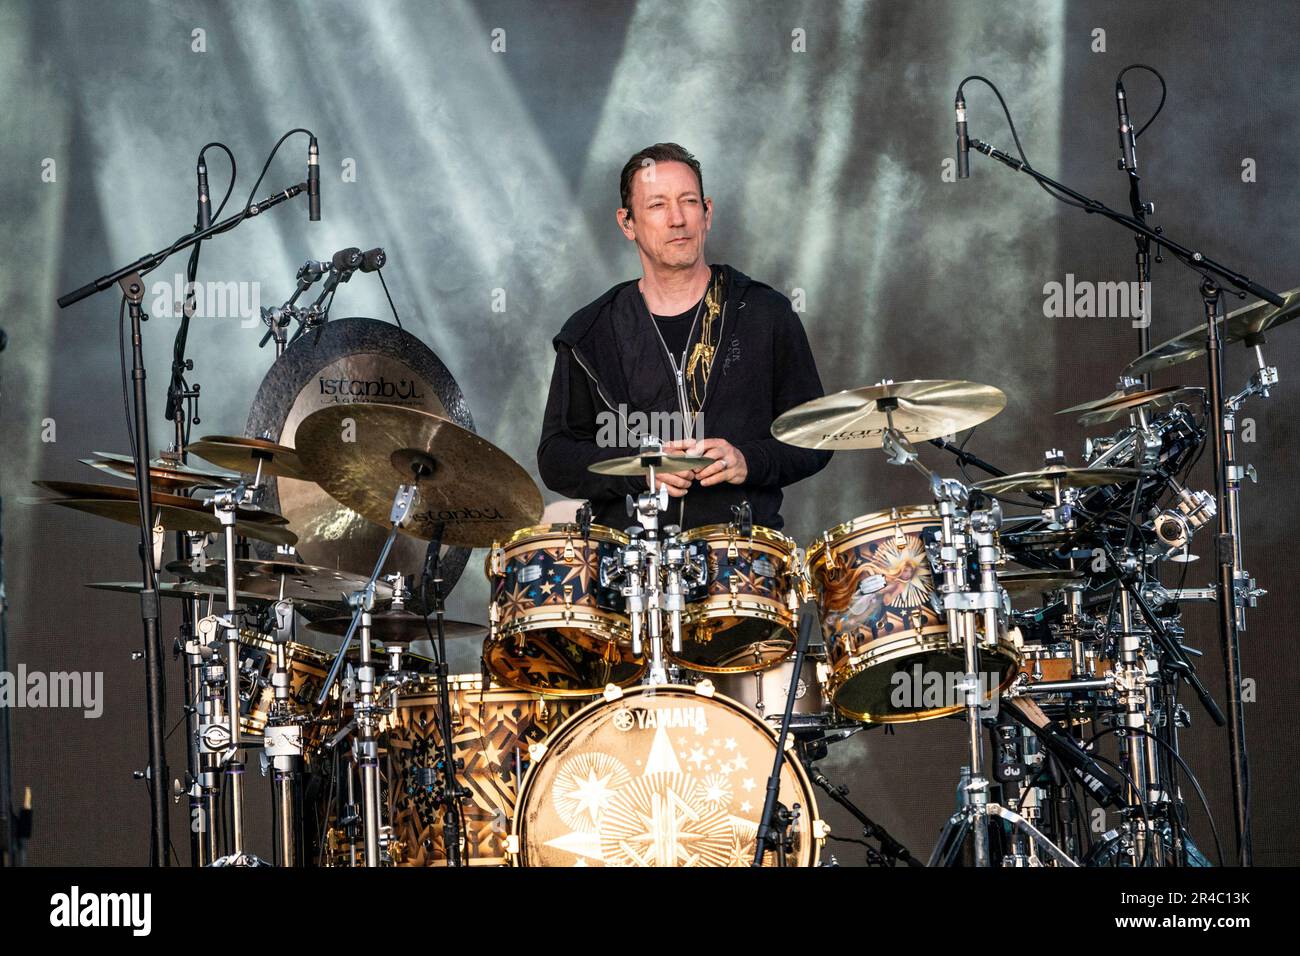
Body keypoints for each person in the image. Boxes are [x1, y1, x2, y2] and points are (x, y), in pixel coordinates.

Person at [537, 142, 831, 532]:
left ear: (707, 213)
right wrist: (640, 470)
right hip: (630, 568)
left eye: (688, 201)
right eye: (657, 205)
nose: (677, 219)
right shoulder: (589, 333)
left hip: (742, 562)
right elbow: (556, 456)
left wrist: (749, 460)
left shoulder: (764, 313)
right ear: (627, 223)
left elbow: (818, 436)